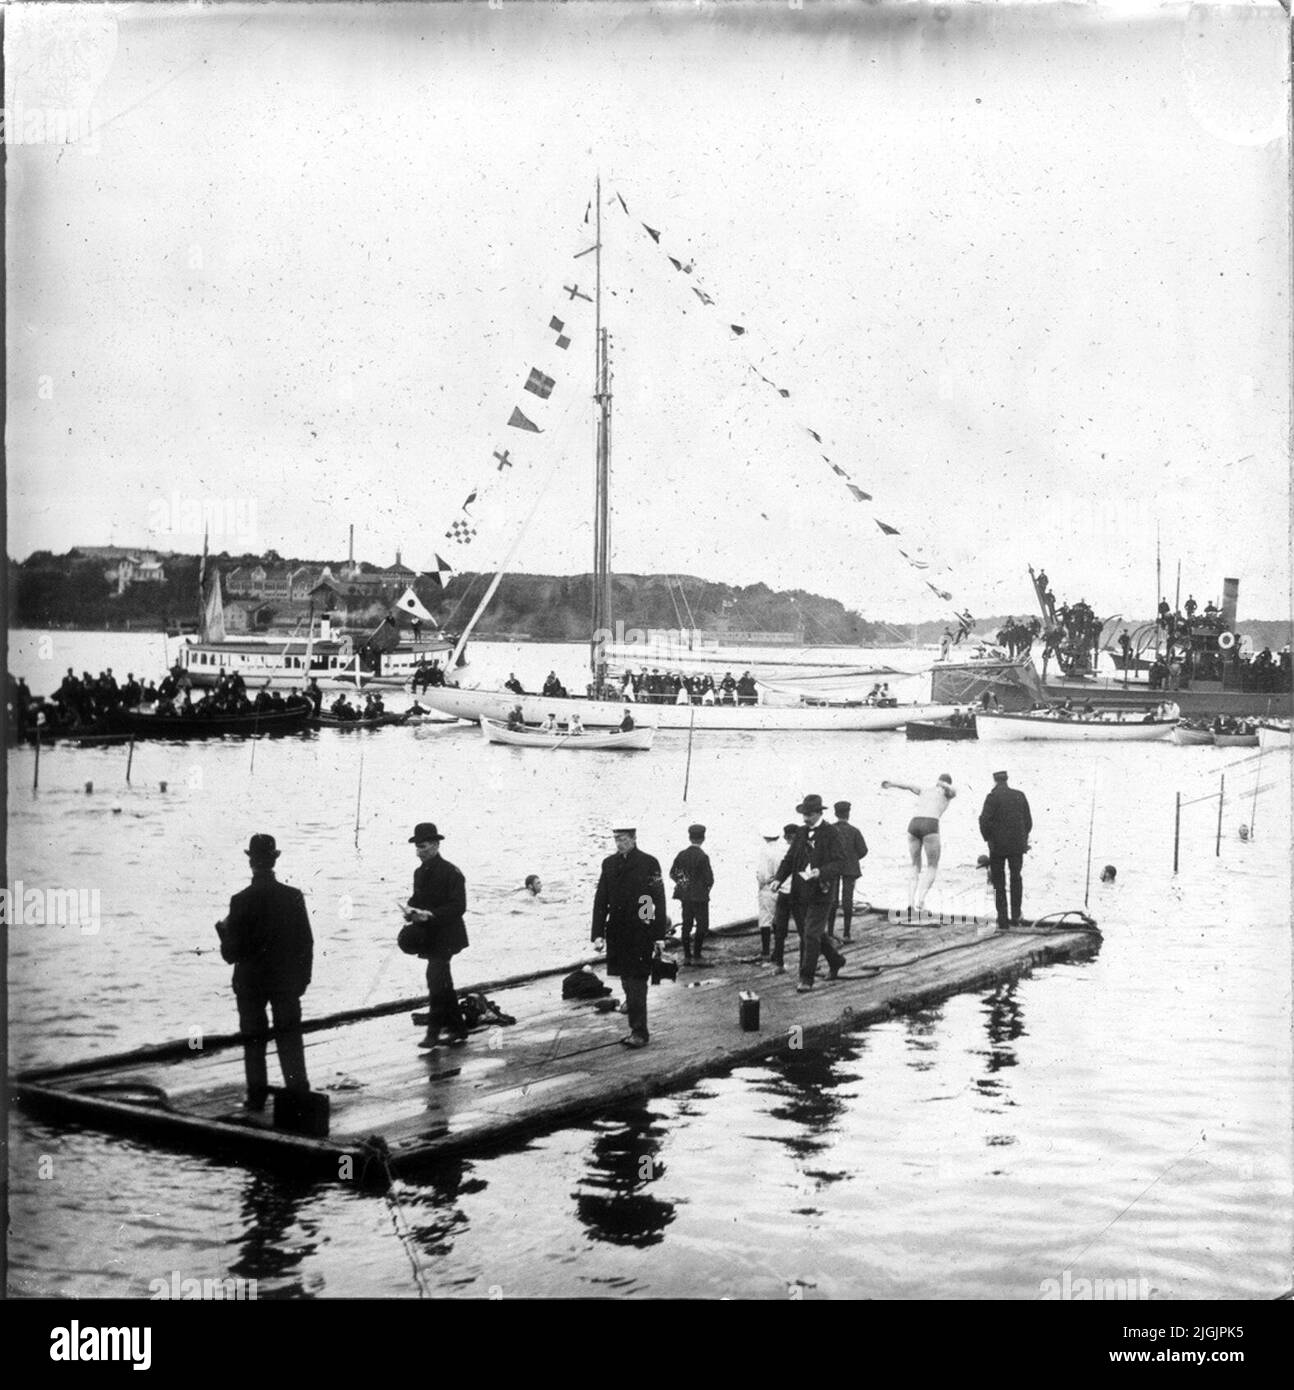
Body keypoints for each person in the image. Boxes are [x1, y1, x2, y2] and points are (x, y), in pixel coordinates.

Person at [215, 834, 313, 1111]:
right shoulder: (293, 896)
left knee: (254, 1039)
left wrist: (223, 934)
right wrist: (303, 980)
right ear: (274, 860)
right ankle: (298, 1092)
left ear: (251, 862)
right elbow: (306, 942)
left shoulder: (240, 900)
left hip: (250, 983)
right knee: (290, 1037)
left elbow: (230, 954)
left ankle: (256, 1096)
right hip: (286, 982)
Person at [591, 823, 669, 1049]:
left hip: (639, 932)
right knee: (626, 980)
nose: (620, 843)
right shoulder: (609, 864)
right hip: (616, 932)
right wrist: (597, 934)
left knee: (636, 982)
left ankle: (639, 1032)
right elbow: (601, 900)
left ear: (634, 839)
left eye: (624, 839)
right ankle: (633, 1010)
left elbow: (654, 897)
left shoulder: (649, 863)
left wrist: (655, 933)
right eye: (616, 839)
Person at [403, 822, 469, 1048]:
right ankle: (458, 1029)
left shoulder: (452, 872)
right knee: (443, 982)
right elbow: (417, 899)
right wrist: (411, 911)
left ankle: (433, 1033)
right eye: (417, 847)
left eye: (422, 847)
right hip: (429, 935)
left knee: (435, 979)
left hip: (448, 935)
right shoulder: (419, 872)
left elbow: (459, 907)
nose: (418, 852)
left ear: (435, 845)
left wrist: (430, 915)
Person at [774, 794, 847, 993]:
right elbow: (789, 859)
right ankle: (836, 960)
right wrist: (778, 878)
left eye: (809, 815)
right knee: (811, 933)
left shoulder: (831, 832)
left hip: (821, 892)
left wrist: (820, 872)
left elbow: (840, 862)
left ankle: (806, 978)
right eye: (803, 815)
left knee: (810, 935)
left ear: (819, 812)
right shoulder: (801, 832)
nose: (805, 819)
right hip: (800, 892)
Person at [880, 773, 956, 915]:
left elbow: (908, 786)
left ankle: (910, 904)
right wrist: (943, 784)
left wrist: (891, 784)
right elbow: (953, 790)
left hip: (914, 824)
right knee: (932, 866)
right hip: (930, 824)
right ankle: (920, 902)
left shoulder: (925, 790)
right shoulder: (948, 795)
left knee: (915, 865)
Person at [978, 771, 1033, 929]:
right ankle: (1016, 917)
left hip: (997, 846)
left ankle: (1002, 920)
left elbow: (983, 821)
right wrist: (1023, 837)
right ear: (1007, 780)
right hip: (1017, 845)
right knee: (1016, 878)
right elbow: (1028, 821)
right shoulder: (1019, 795)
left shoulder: (992, 797)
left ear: (994, 780)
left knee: (998, 881)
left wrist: (988, 838)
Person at [670, 823, 714, 964]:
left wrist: (684, 885)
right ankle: (697, 954)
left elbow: (673, 873)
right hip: (700, 897)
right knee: (702, 926)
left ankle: (687, 955)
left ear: (690, 837)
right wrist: (704, 889)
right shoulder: (703, 856)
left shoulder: (681, 855)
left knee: (686, 924)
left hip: (685, 896)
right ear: (703, 838)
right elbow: (709, 879)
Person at [828, 800, 869, 941]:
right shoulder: (854, 831)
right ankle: (846, 934)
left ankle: (829, 933)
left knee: (832, 900)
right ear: (848, 814)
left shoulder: (830, 830)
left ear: (835, 814)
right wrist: (852, 857)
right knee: (847, 900)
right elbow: (863, 851)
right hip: (850, 868)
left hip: (833, 868)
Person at [755, 825, 783, 960]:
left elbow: (762, 875)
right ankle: (778, 949)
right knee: (778, 919)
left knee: (766, 919)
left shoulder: (764, 852)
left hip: (767, 887)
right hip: (781, 886)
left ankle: (766, 950)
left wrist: (760, 883)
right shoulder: (782, 850)